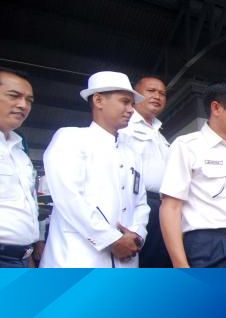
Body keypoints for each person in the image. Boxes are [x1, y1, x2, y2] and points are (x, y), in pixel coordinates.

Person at [40, 71, 150, 268]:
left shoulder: (132, 152)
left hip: (126, 260)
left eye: (132, 104)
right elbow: (69, 197)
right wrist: (111, 239)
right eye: (125, 102)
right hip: (77, 258)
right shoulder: (71, 138)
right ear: (98, 100)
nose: (131, 110)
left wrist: (136, 235)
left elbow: (141, 202)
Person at [159, 80, 226, 268]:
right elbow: (171, 208)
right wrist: (180, 266)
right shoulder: (187, 146)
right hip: (210, 247)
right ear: (216, 108)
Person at [119, 75, 171, 267]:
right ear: (135, 95)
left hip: (162, 205)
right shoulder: (124, 127)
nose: (157, 96)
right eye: (151, 91)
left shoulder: (160, 134)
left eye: (162, 93)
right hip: (136, 203)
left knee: (161, 262)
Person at [0, 69, 40, 268]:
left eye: (29, 100)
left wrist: (28, 254)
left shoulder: (19, 151)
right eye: (14, 96)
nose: (23, 105)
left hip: (21, 258)